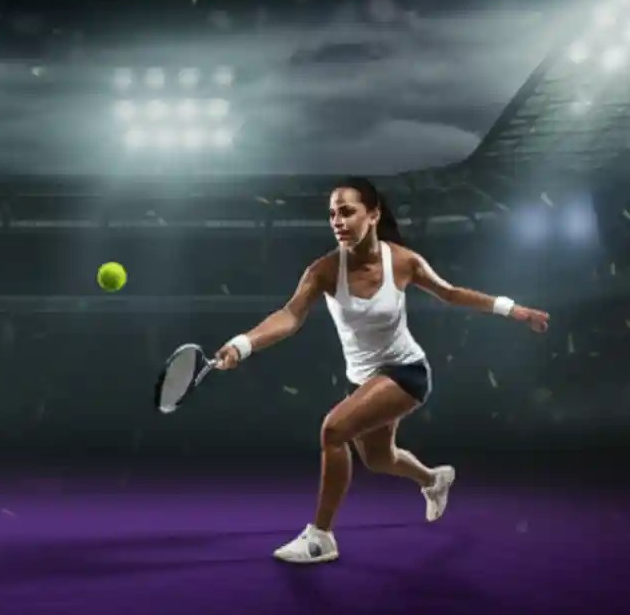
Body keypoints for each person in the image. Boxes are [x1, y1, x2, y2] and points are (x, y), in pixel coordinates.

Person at [213, 176, 549, 565]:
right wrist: (243, 344)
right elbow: (290, 315)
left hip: (407, 372)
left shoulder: (403, 261)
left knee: (333, 430)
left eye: (347, 211)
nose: (337, 221)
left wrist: (514, 310)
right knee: (378, 459)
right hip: (365, 381)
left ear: (372, 215)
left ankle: (321, 537)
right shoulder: (323, 270)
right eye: (332, 214)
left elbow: (451, 293)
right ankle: (433, 479)